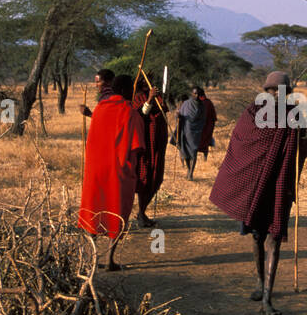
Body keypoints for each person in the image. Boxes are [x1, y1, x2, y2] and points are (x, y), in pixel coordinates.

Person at [209, 71, 307, 315]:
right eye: (272, 90)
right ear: (266, 91)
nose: (276, 94)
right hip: (253, 186)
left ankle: (267, 299)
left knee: (273, 238)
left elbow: (300, 150)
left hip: (279, 184)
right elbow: (240, 143)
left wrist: (298, 159)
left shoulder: (294, 114)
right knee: (256, 237)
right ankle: (259, 284)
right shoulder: (253, 113)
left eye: (280, 91)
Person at [79, 74, 145, 270]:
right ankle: (110, 261)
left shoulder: (99, 108)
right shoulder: (130, 112)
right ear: (125, 91)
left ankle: (92, 260)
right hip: (118, 171)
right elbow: (137, 146)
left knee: (94, 209)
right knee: (117, 211)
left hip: (95, 169)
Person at [131, 76, 167, 227]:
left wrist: (156, 97)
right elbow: (140, 115)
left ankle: (142, 213)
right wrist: (150, 99)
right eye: (146, 80)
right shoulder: (136, 97)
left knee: (155, 179)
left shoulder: (157, 96)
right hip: (145, 145)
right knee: (144, 179)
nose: (150, 83)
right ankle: (140, 214)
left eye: (151, 80)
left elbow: (163, 112)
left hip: (157, 146)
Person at [175, 86, 217, 180]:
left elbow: (203, 120)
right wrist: (178, 115)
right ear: (192, 94)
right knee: (185, 153)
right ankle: (188, 169)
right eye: (195, 93)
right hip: (185, 131)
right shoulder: (186, 103)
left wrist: (197, 126)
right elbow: (181, 115)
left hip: (196, 132)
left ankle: (191, 173)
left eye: (198, 94)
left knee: (193, 152)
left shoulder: (202, 106)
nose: (196, 96)